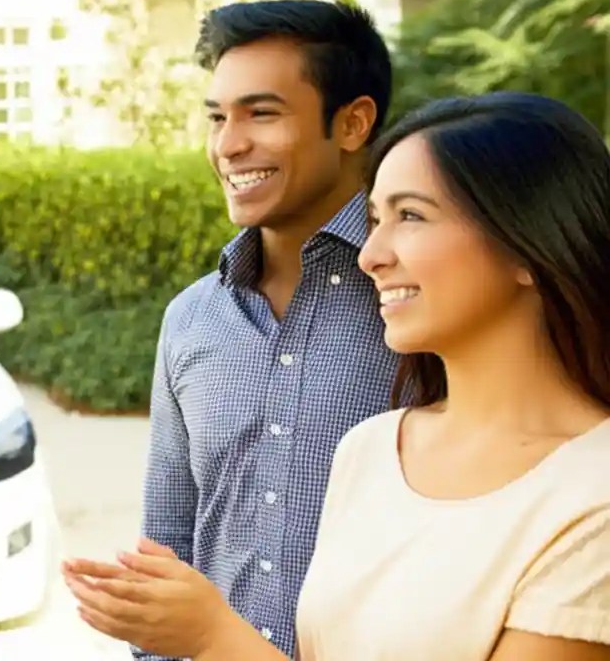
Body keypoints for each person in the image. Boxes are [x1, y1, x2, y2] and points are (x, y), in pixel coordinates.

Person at [62, 91, 610, 660]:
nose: (370, 255)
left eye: (410, 216)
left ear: (529, 247)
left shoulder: (593, 498)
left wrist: (212, 637)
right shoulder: (371, 448)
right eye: (374, 219)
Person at [130, 0, 398, 658]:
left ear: (353, 123)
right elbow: (168, 546)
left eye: (262, 113)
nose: (228, 145)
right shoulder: (191, 320)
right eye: (217, 118)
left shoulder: (419, 301)